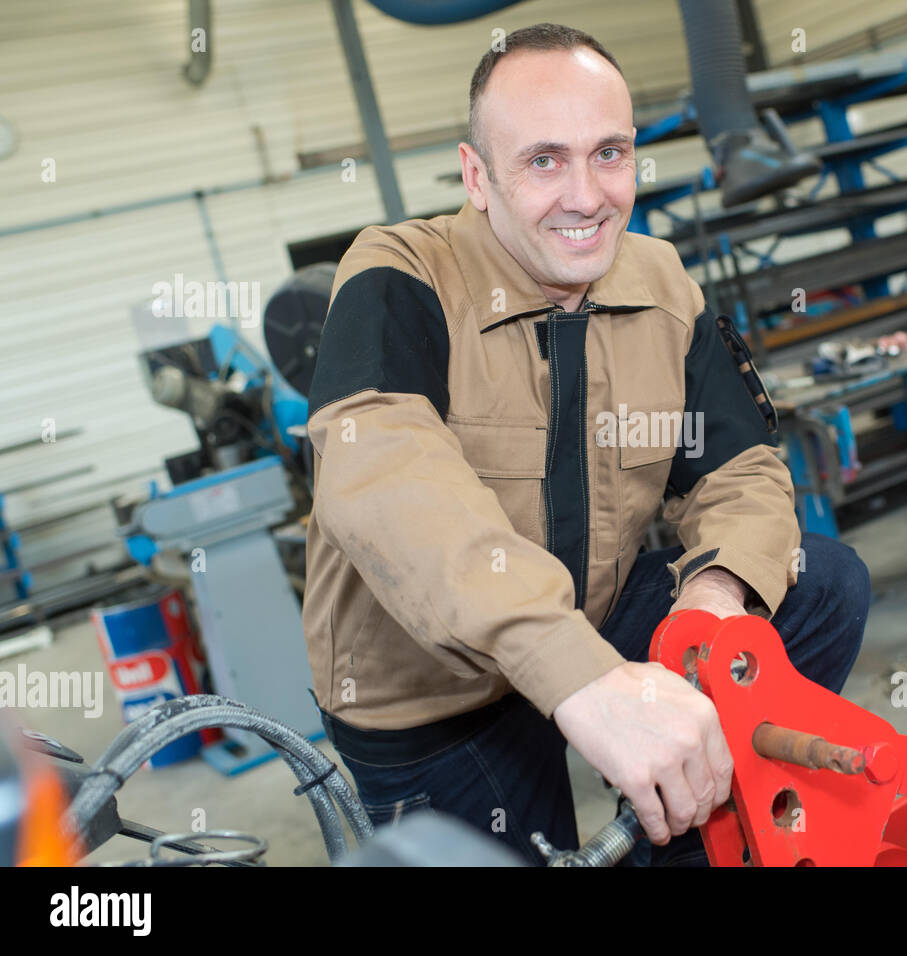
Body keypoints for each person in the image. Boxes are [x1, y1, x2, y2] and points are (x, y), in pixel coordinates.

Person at [302, 22, 874, 866]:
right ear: (477, 176)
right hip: (434, 691)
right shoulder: (400, 276)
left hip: (594, 620)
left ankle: (680, 839)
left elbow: (741, 467)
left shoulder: (660, 281)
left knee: (821, 585)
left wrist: (715, 600)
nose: (586, 195)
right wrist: (576, 677)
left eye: (610, 153)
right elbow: (386, 474)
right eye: (543, 160)